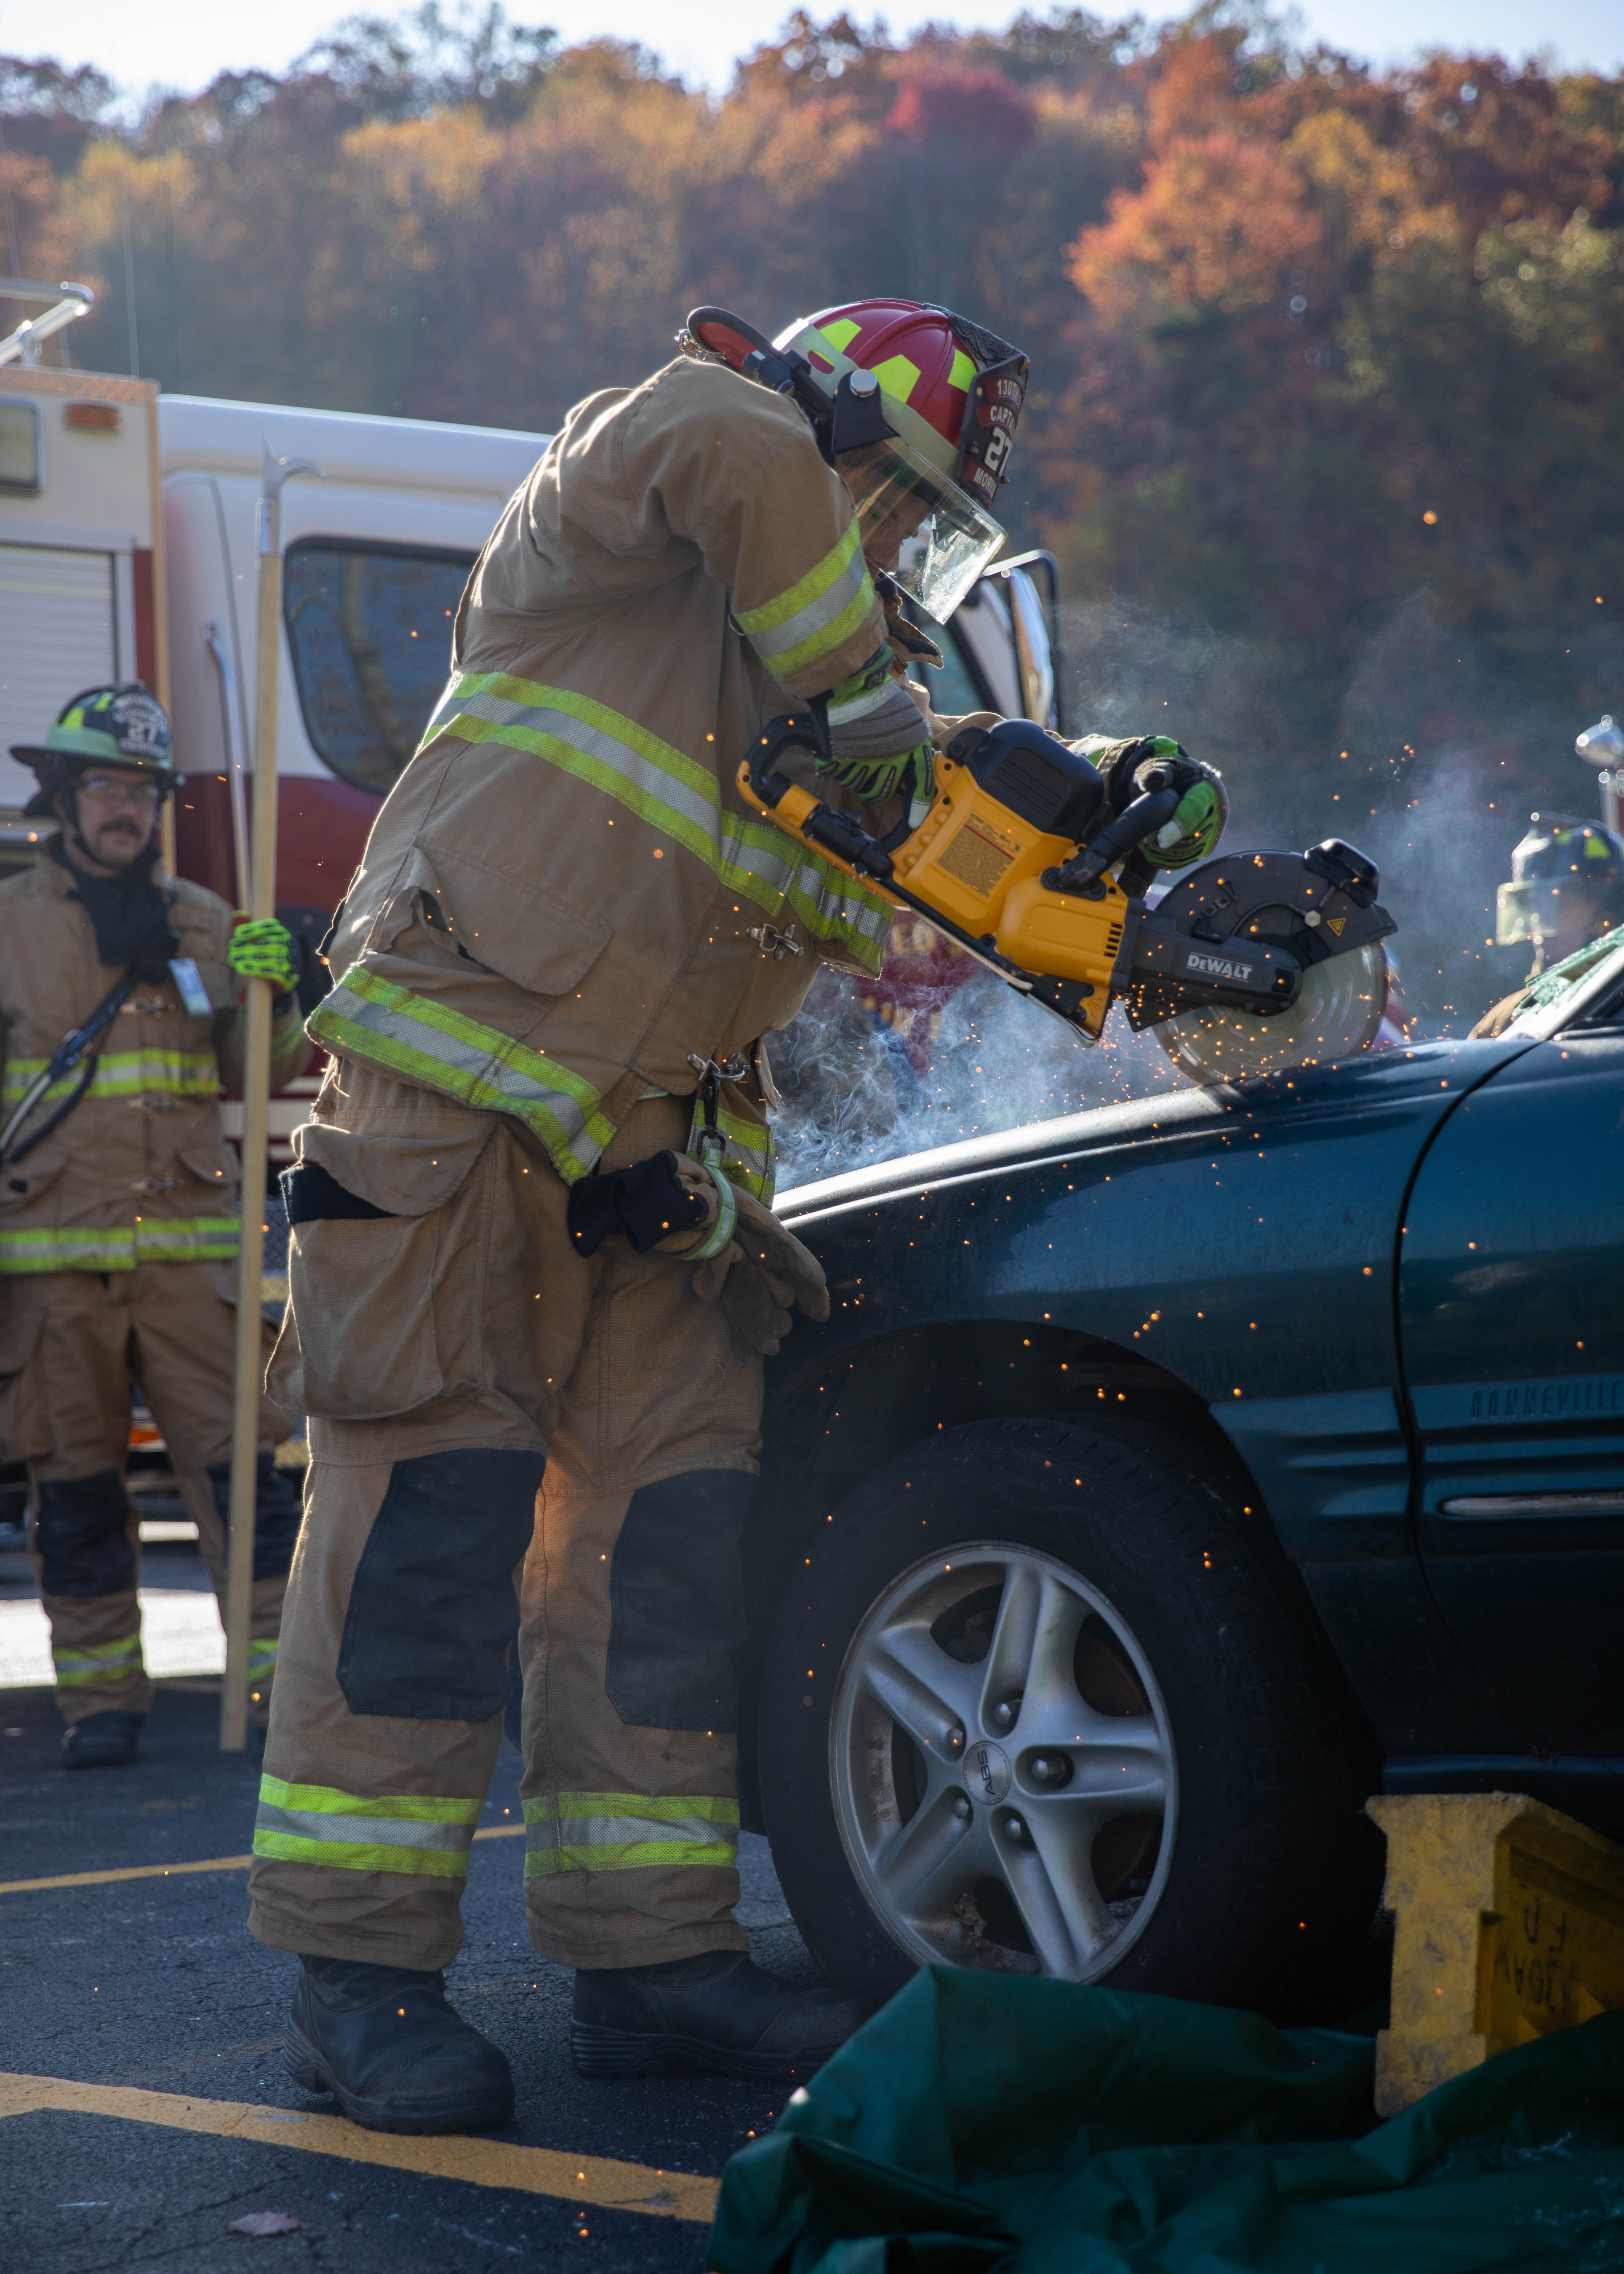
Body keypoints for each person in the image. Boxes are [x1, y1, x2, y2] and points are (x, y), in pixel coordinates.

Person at [248, 299, 1214, 2134]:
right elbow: (729, 434)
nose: (897, 546)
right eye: (895, 496)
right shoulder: (626, 504)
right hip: (453, 1132)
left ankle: (652, 1964)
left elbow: (961, 870)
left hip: (668, 1186)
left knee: (666, 1567)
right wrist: (866, 692)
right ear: (830, 424)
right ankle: (355, 1977)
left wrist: (1144, 906)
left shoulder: (843, 695)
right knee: (426, 1548)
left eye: (921, 524)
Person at [0, 683, 308, 1768]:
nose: (126, 808)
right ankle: (100, 1704)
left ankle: (278, 1690)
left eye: (144, 790)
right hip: (51, 1272)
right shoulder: (9, 925)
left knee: (245, 1491)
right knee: (76, 1494)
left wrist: (280, 996)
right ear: (62, 795)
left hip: (192, 1263)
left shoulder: (208, 922)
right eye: (105, 786)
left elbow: (256, 1076)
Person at [1473, 811, 1624, 1037]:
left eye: (1560, 902)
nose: (1540, 917)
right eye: (1533, 904)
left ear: (1608, 914)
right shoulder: (1505, 1021)